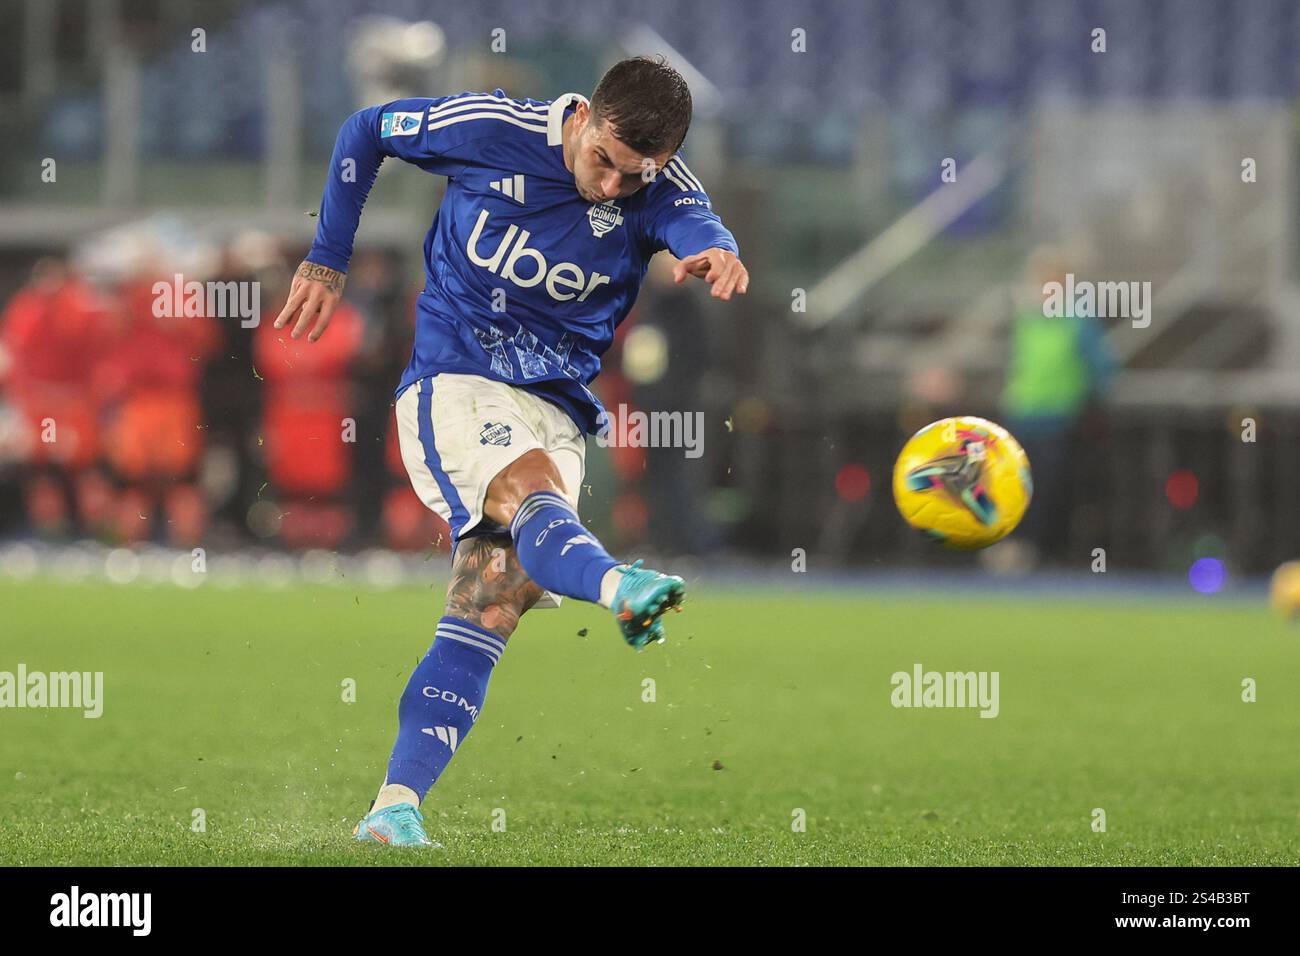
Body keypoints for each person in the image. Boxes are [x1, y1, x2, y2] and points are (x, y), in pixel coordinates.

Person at [273, 56, 748, 847]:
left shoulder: (657, 187)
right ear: (585, 118)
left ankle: (394, 806)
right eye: (603, 161)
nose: (610, 189)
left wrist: (714, 251)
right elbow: (367, 130)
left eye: (635, 178)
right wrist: (328, 256)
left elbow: (698, 222)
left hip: (554, 405)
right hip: (455, 377)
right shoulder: (492, 130)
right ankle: (618, 584)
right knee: (532, 496)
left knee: (487, 605)